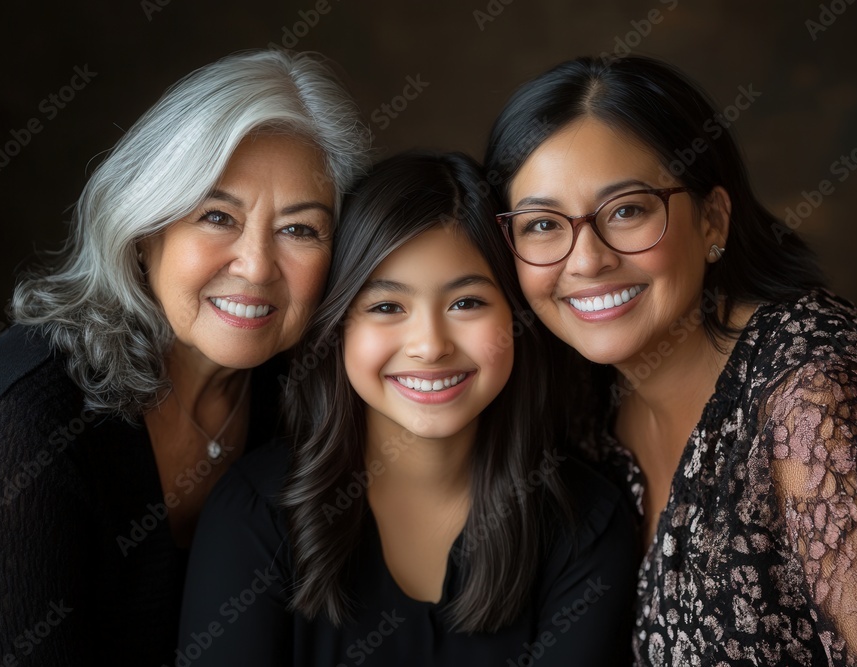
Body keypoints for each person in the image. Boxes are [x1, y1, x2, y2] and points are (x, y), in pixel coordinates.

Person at [0, 49, 369, 666]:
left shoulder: (309, 397)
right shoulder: (21, 423)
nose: (257, 266)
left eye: (300, 230)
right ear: (144, 229)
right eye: (217, 216)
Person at [484, 55, 857, 666]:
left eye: (627, 210)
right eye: (541, 224)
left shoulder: (820, 402)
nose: (585, 261)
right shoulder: (578, 402)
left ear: (713, 217)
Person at [178, 151, 640, 665]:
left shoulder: (584, 526)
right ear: (338, 330)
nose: (429, 345)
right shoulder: (253, 516)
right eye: (386, 307)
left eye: (467, 303)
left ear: (517, 319)